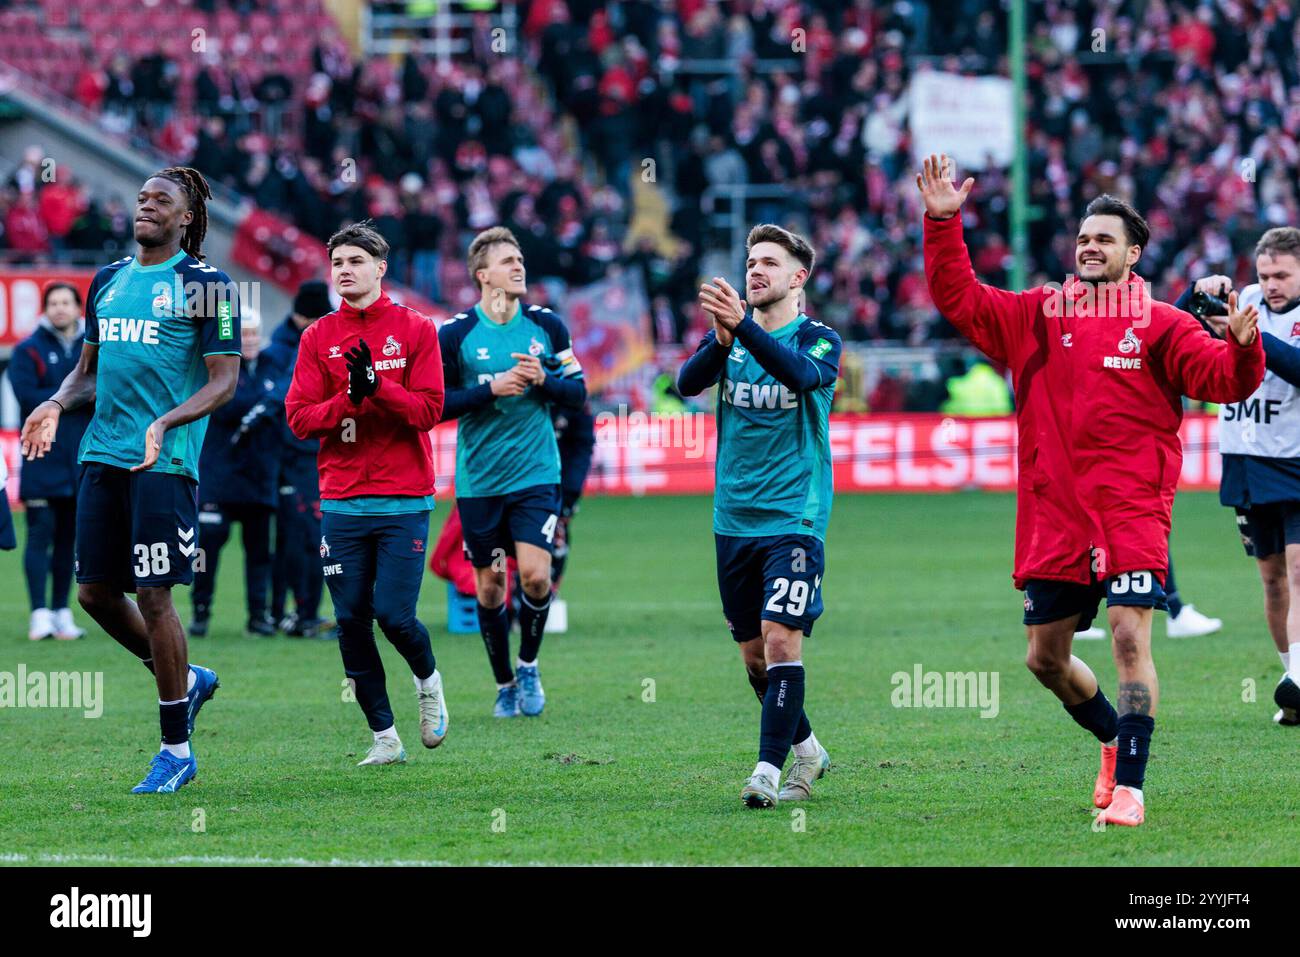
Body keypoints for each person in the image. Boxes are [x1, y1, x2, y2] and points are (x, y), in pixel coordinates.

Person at [917, 153, 1264, 826]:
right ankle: (1110, 735)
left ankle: (1132, 787)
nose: (1088, 247)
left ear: (1133, 253)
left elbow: (1225, 382)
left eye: (1104, 238)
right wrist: (941, 224)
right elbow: (961, 299)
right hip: (1055, 519)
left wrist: (1244, 349)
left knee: (1131, 638)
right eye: (1083, 238)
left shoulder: (1162, 323)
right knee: (1044, 658)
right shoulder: (1038, 315)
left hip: (1132, 512)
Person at [19, 167, 240, 793]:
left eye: (160, 200)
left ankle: (175, 750)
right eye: (141, 198)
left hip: (163, 462)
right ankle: (184, 678)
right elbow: (87, 372)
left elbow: (224, 381)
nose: (146, 207)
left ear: (187, 217)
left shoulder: (208, 288)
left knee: (155, 595)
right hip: (103, 454)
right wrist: (56, 404)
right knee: (92, 594)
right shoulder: (109, 280)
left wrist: (166, 422)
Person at [677, 223, 840, 809]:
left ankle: (767, 773)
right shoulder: (730, 340)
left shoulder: (820, 339)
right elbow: (684, 384)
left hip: (795, 519)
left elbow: (798, 376)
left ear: (799, 278)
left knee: (780, 642)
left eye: (769, 262)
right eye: (750, 261)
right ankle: (810, 750)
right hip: (733, 521)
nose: (755, 270)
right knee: (754, 660)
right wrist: (722, 340)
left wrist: (741, 326)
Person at [285, 221, 448, 765]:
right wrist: (350, 402)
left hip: (403, 498)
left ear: (381, 268)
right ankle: (385, 737)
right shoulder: (317, 337)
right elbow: (300, 419)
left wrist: (380, 388)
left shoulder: (417, 329)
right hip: (342, 502)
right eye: (337, 263)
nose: (344, 271)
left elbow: (429, 410)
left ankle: (428, 683)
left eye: (356, 261)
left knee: (394, 615)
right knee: (351, 619)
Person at [438, 227, 586, 718]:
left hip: (536, 476)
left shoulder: (547, 327)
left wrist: (544, 380)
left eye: (520, 258)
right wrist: (491, 389)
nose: (519, 266)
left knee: (535, 577)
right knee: (490, 587)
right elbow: (434, 405)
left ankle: (528, 665)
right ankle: (503, 683)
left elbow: (579, 393)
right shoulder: (456, 335)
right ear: (483, 276)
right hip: (480, 483)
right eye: (507, 261)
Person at [1176, 228, 1300, 725]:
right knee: (1272, 582)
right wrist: (1194, 292)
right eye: (1266, 274)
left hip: (1295, 460)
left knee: (1298, 568)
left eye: (1283, 275)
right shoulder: (1242, 299)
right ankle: (1293, 682)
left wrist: (1249, 337)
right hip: (1245, 463)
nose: (1271, 285)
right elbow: (1173, 328)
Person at [190, 309, 288, 638]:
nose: (248, 340)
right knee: (207, 550)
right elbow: (229, 405)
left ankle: (258, 617)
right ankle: (200, 611)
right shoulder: (218, 368)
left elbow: (288, 400)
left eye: (252, 333)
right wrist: (267, 403)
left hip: (261, 477)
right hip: (221, 477)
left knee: (260, 552)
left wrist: (271, 403)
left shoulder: (274, 365)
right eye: (242, 333)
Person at [8, 281, 91, 641]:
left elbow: (103, 389)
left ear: (77, 308)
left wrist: (60, 397)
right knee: (40, 535)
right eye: (53, 302)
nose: (59, 308)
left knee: (69, 540)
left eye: (66, 302)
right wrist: (74, 394)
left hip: (80, 459)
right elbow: (27, 397)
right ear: (45, 309)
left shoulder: (94, 348)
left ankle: (61, 611)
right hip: (41, 457)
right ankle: (38, 614)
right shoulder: (29, 349)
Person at [265, 280, 332, 638]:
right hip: (291, 456)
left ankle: (303, 611)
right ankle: (284, 612)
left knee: (310, 537)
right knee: (293, 538)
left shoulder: (320, 342)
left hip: (314, 454)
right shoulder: (280, 353)